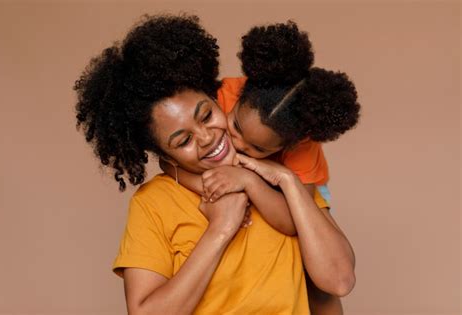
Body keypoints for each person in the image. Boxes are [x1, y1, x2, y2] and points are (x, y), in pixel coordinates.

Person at [74, 14, 355, 314]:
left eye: (207, 115)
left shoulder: (278, 173)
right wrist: (221, 228)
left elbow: (336, 284)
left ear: (216, 98)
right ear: (166, 157)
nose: (207, 138)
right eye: (183, 141)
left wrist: (282, 179)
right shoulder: (154, 203)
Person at [163, 21, 360, 314]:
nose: (240, 145)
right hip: (259, 179)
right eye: (236, 127)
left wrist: (249, 181)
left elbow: (293, 219)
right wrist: (221, 185)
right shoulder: (219, 96)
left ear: (288, 145)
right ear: (238, 97)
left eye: (259, 148)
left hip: (299, 187)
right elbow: (168, 160)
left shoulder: (303, 147)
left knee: (317, 278)